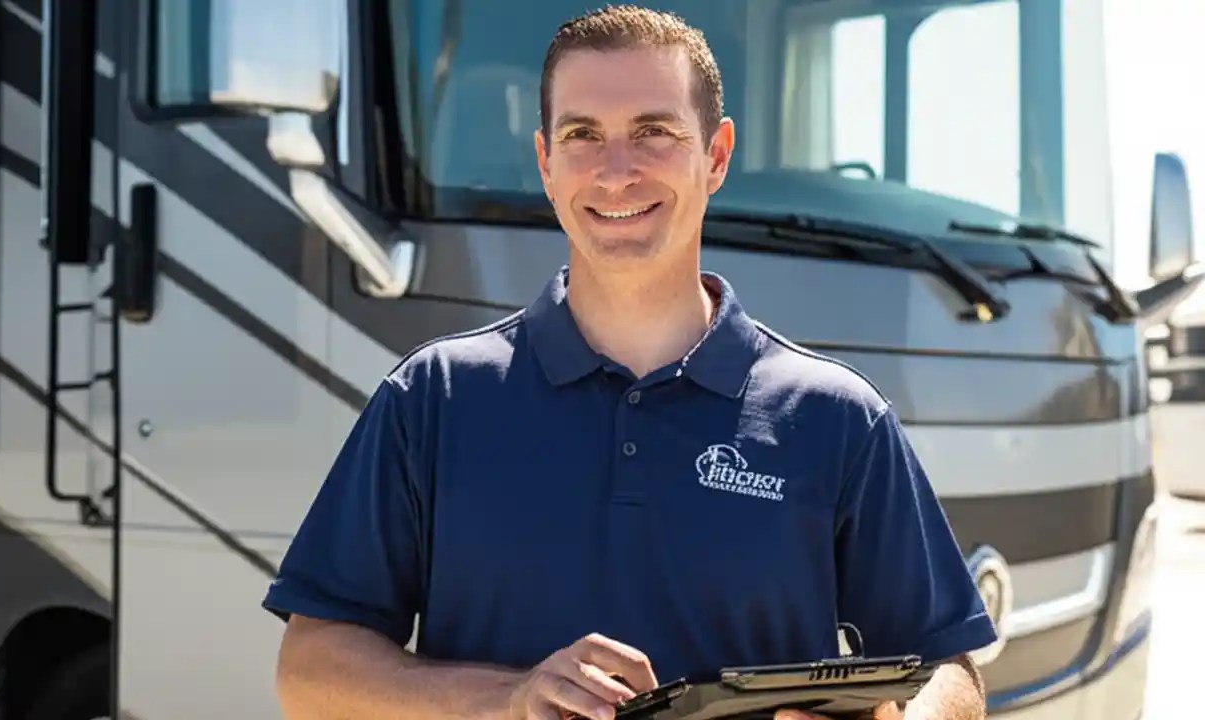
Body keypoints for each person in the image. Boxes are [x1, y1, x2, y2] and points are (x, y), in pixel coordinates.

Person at [262, 5, 998, 720]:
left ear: (715, 156)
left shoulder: (837, 417)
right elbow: (311, 672)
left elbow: (950, 670)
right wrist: (507, 701)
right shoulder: (434, 398)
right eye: (583, 135)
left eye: (655, 132)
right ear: (546, 162)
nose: (617, 172)